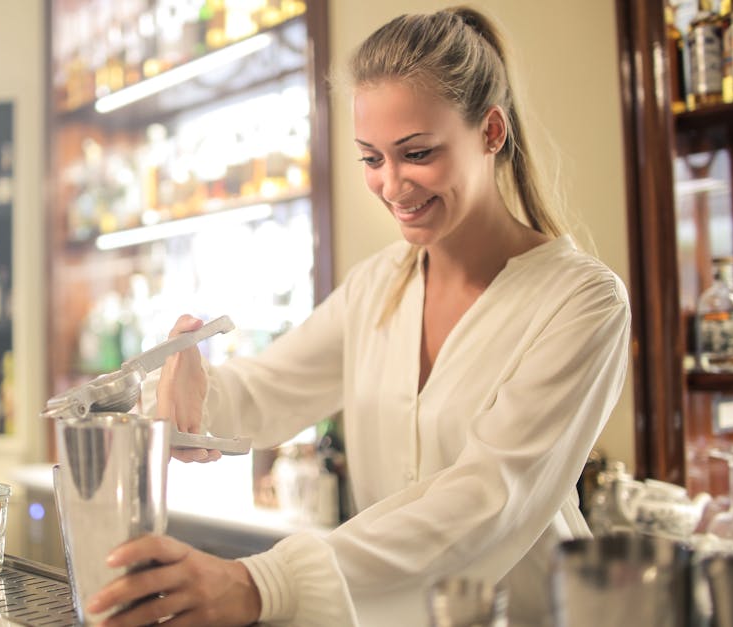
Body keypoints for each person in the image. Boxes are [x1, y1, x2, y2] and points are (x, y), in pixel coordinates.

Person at [86, 6, 631, 626]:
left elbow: (487, 498)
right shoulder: (377, 287)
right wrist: (193, 393)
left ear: (491, 132)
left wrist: (265, 583)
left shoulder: (581, 301)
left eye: (417, 153)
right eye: (372, 159)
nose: (393, 185)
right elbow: (270, 387)